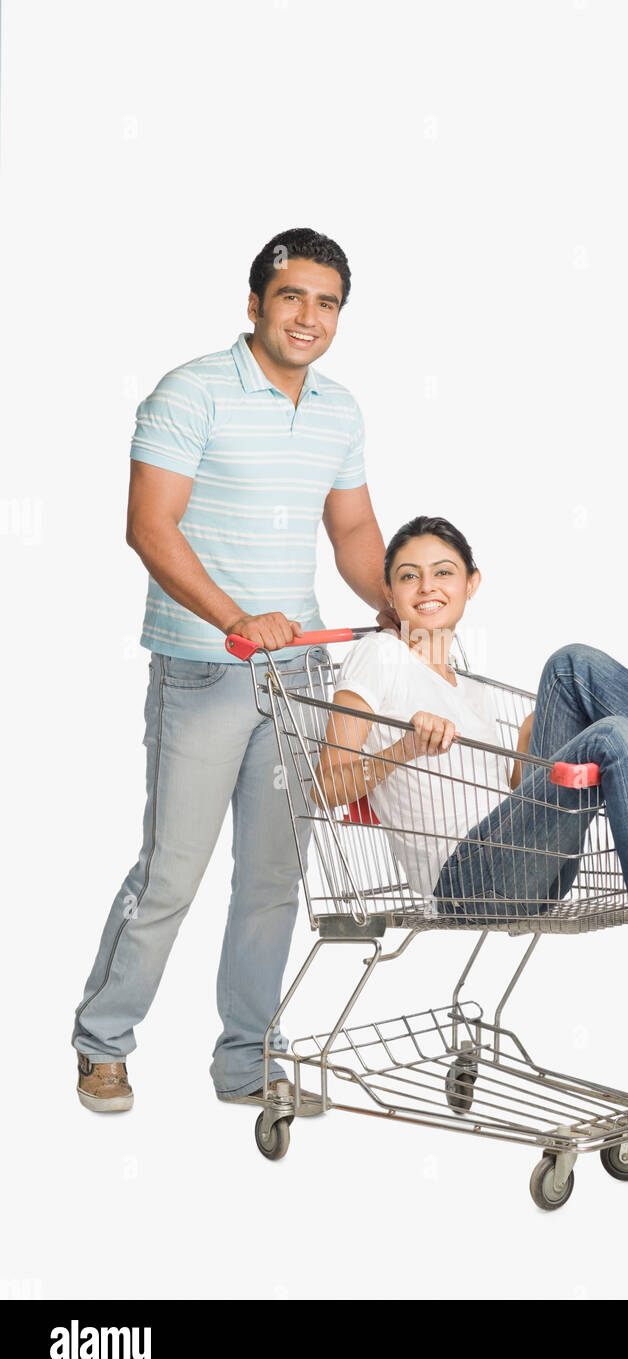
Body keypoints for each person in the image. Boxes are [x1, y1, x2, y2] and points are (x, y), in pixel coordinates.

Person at [72, 227, 397, 1112]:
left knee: (269, 880)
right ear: (254, 303)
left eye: (326, 303)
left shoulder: (338, 409)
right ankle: (103, 1042)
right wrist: (233, 621)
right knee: (170, 874)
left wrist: (394, 596)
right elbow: (150, 526)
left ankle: (246, 1059)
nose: (308, 317)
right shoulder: (191, 393)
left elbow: (355, 532)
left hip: (298, 680)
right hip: (204, 669)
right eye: (291, 296)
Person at [315, 515, 628, 1069]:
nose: (427, 587)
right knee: (618, 737)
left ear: (472, 584)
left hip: (518, 861)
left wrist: (536, 747)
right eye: (409, 577)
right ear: (388, 592)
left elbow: (501, 797)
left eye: (444, 572)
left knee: (570, 665)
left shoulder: (467, 682)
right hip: (464, 880)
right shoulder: (379, 656)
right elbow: (326, 786)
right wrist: (404, 750)